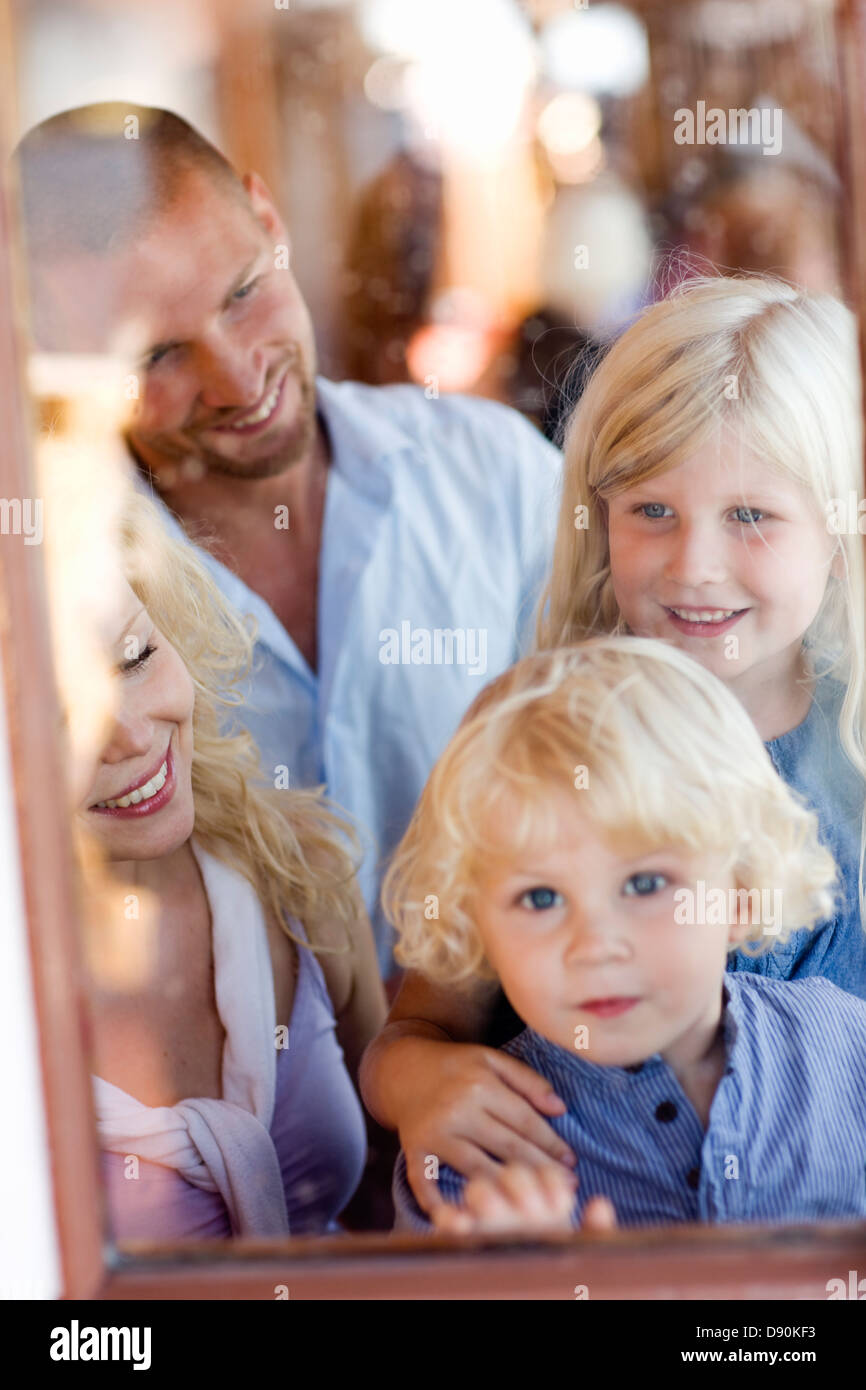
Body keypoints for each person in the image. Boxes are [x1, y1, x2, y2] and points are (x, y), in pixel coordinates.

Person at [360, 272, 866, 1214]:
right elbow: (415, 1030)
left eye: (751, 515)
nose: (694, 565)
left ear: (841, 528)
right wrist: (423, 1085)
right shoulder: (530, 744)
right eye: (652, 511)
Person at [16, 102, 562, 973]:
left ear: (269, 222)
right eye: (156, 356)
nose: (237, 379)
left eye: (243, 293)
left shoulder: (498, 477)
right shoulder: (60, 589)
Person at [383, 640, 866, 1234]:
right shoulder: (477, 1150)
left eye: (644, 883)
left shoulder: (847, 1047)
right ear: (477, 926)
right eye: (540, 898)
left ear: (740, 894)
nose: (594, 944)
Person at [77, 492, 387, 1240]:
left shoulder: (296, 865)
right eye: (62, 716)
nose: (128, 735)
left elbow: (390, 1191)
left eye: (134, 656)